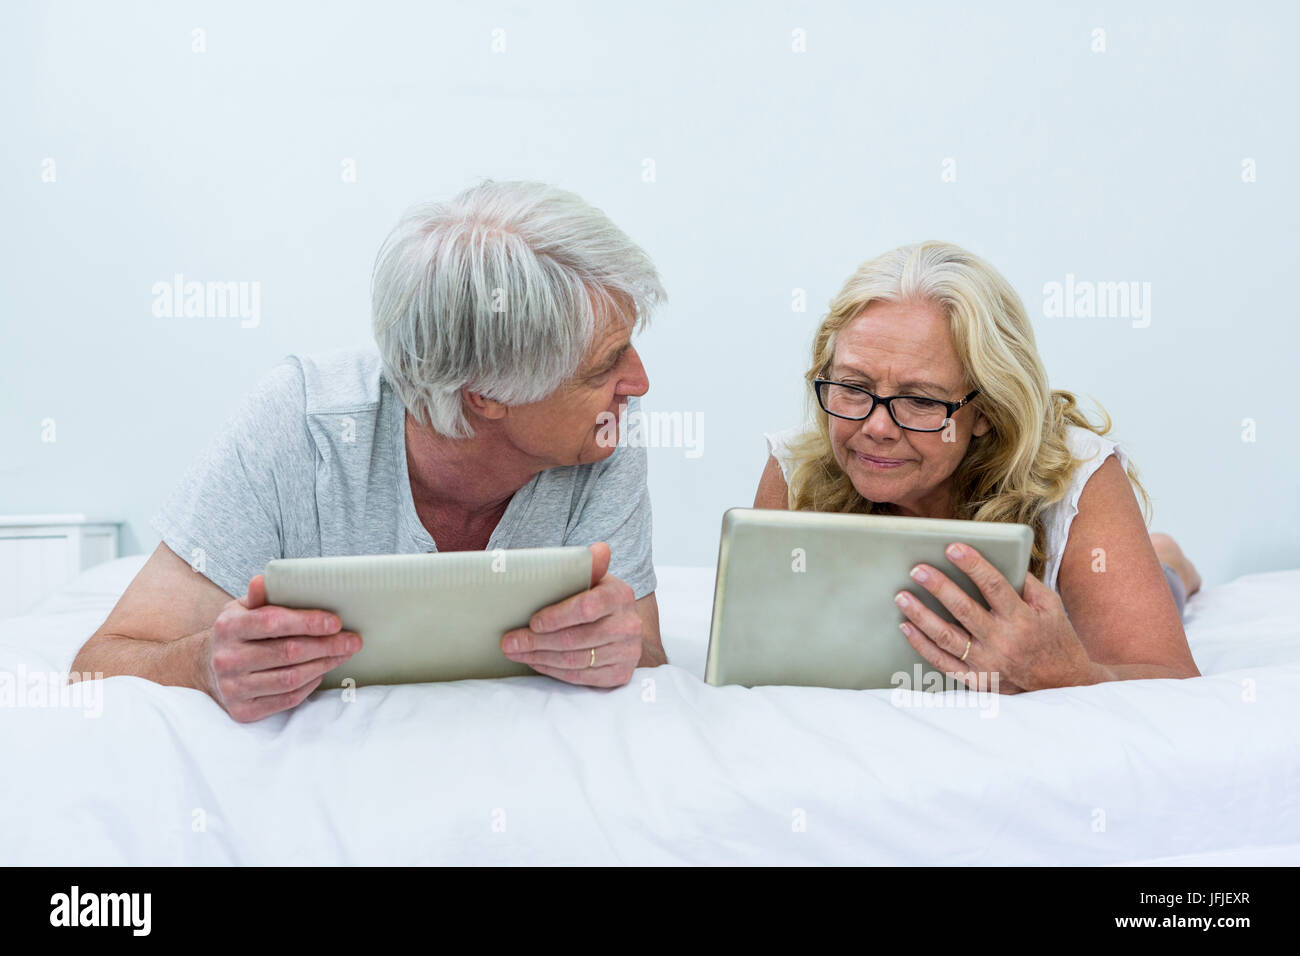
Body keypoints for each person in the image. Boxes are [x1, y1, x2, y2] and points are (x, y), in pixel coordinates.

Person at [71, 180, 669, 722]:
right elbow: (100, 663)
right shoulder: (300, 425)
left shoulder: (604, 434)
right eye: (604, 366)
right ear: (485, 394)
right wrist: (202, 663)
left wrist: (621, 647)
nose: (638, 382)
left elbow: (645, 655)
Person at [754, 241, 1201, 693]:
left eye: (921, 400)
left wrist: (1064, 675)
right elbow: (750, 650)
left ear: (986, 410)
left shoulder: (1077, 475)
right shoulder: (798, 467)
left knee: (1162, 578)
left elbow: (1172, 682)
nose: (877, 427)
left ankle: (1168, 560)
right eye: (853, 386)